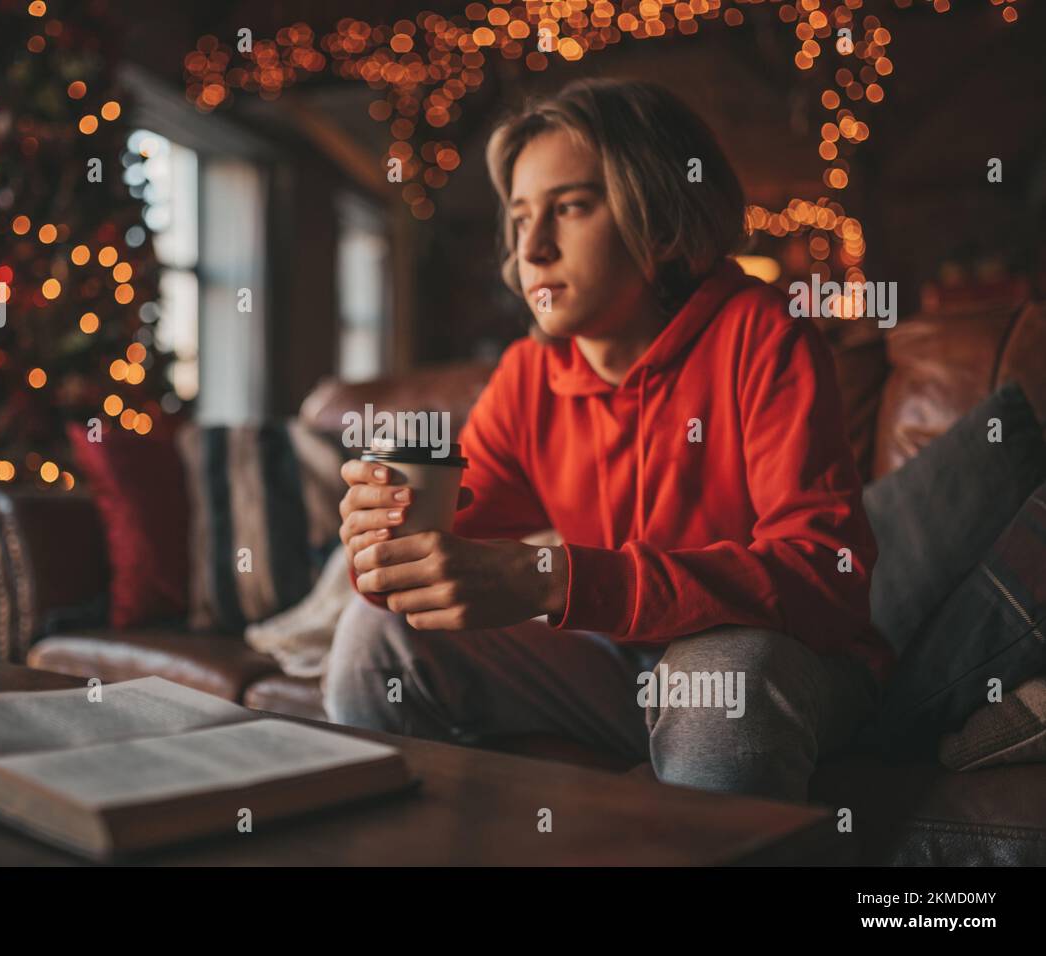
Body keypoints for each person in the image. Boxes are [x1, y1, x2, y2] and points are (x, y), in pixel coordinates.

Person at [323, 78, 895, 803]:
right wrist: (383, 549)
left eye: (569, 208)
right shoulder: (530, 374)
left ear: (657, 221)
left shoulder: (763, 333)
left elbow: (826, 577)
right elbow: (449, 549)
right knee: (373, 645)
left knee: (717, 685)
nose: (531, 247)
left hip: (786, 660)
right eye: (521, 215)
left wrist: (558, 578)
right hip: (621, 662)